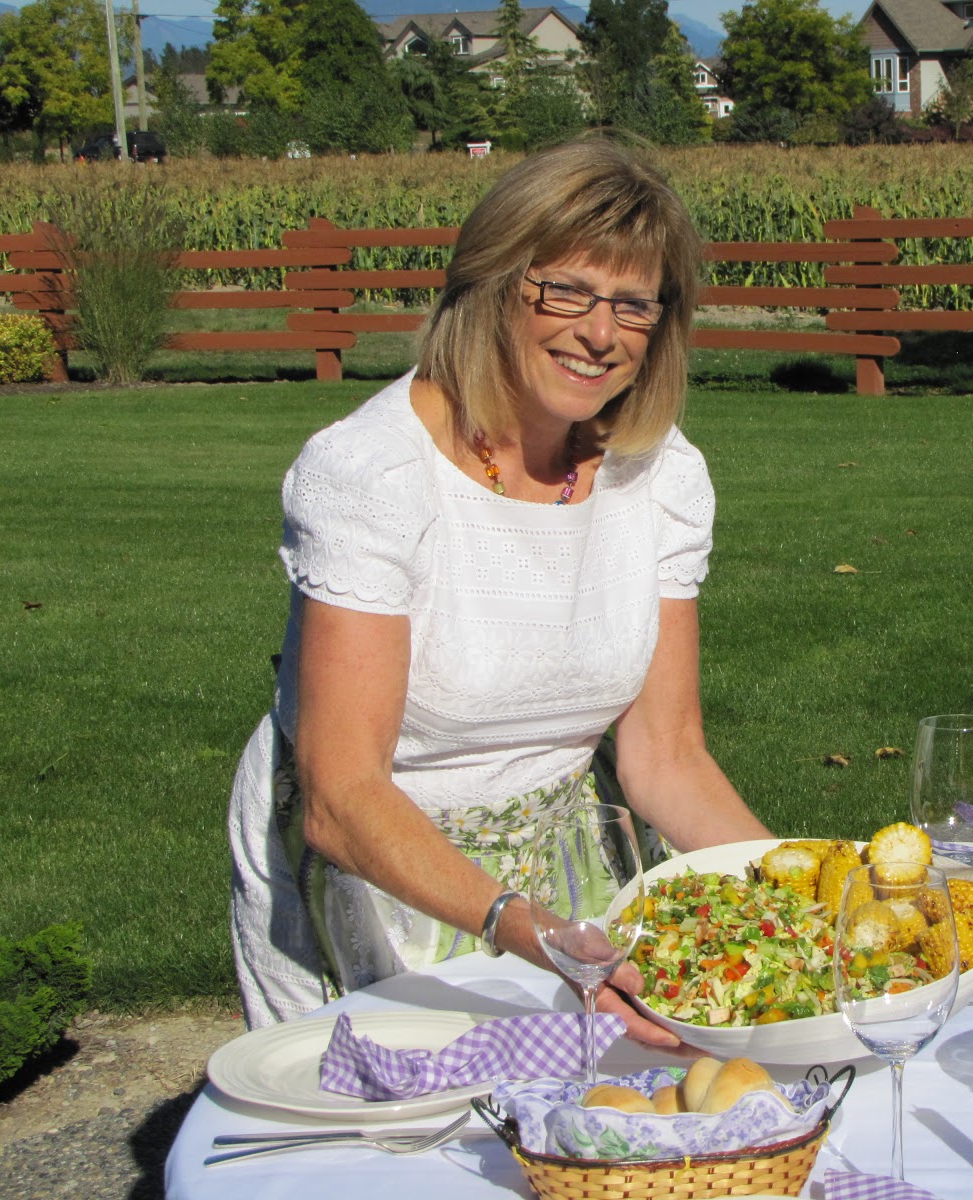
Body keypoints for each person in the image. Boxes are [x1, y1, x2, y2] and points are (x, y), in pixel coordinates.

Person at [227, 138, 771, 1033]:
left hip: (569, 868)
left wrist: (802, 892)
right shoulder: (372, 475)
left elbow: (666, 757)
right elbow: (342, 796)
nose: (600, 334)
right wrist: (534, 933)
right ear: (490, 284)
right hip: (377, 873)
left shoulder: (660, 476)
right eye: (567, 292)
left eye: (633, 305)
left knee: (594, 1107)